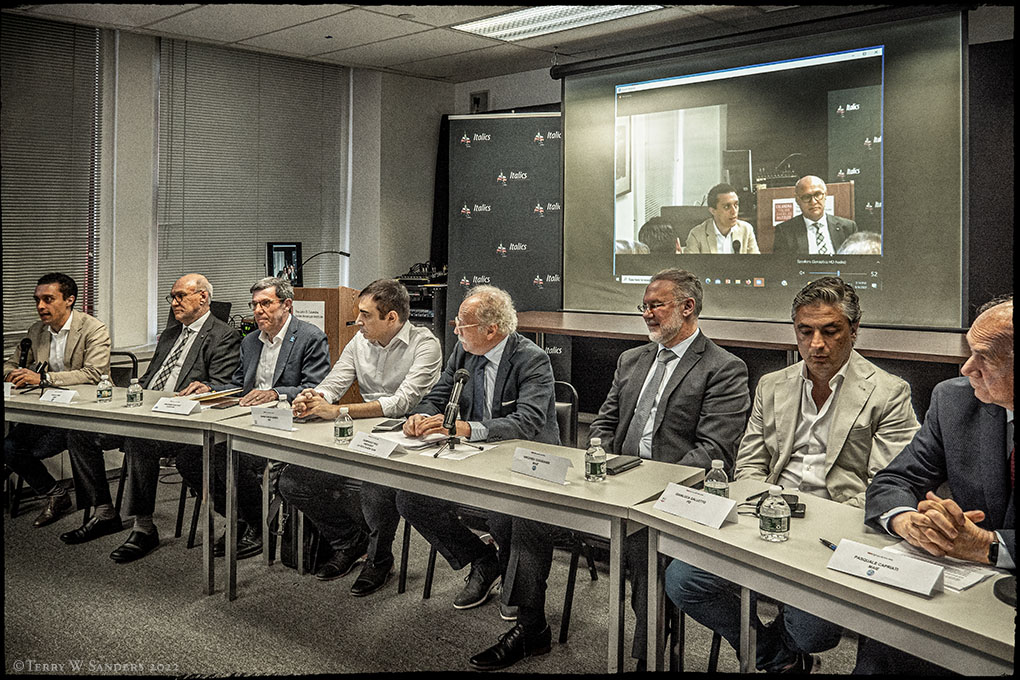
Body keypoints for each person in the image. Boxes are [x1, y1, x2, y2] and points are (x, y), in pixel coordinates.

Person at [665, 276, 921, 673]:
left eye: (830, 331)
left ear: (854, 331)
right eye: (806, 331)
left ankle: (784, 647)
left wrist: (809, 520)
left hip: (834, 529)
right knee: (683, 579)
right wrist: (765, 506)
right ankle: (775, 655)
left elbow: (887, 485)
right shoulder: (773, 385)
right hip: (765, 516)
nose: (816, 344)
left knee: (814, 631)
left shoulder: (888, 392)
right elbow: (749, 464)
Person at [588, 268, 750, 670]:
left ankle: (647, 659)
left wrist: (651, 486)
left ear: (687, 307)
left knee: (646, 553)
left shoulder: (723, 367)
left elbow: (714, 453)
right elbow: (604, 424)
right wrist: (602, 463)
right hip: (614, 482)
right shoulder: (631, 359)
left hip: (672, 495)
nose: (646, 314)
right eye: (643, 306)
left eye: (655, 305)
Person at [395, 284, 560, 671]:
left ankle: (531, 625)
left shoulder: (531, 359)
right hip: (471, 457)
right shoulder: (464, 350)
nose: (454, 331)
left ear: (491, 329)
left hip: (525, 460)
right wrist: (421, 415)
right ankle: (483, 560)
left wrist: (469, 429)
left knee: (512, 515)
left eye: (461, 325)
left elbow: (530, 421)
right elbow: (438, 393)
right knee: (410, 498)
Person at [857, 295, 1014, 674]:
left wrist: (987, 545)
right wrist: (909, 521)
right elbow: (893, 480)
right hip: (965, 589)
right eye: (968, 352)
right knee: (887, 630)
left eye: (984, 358)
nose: (966, 367)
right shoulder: (955, 400)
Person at [278, 279, 442, 595]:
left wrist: (337, 411)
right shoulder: (359, 342)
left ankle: (379, 560)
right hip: (361, 434)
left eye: (366, 315)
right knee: (292, 481)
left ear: (391, 318)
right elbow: (334, 383)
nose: (358, 321)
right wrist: (313, 397)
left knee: (374, 488)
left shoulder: (425, 345)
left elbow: (402, 403)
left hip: (406, 436)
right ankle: (347, 542)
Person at [64, 274, 240, 562]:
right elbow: (150, 378)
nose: (174, 302)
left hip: (180, 425)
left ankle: (143, 527)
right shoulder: (170, 334)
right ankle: (104, 511)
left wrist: (206, 388)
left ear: (203, 298)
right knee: (79, 433)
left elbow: (222, 385)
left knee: (139, 440)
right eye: (172, 297)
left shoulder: (223, 335)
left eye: (180, 296)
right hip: (143, 410)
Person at [175, 276, 330, 560]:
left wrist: (275, 393)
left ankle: (257, 526)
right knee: (188, 459)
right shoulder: (249, 342)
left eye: (266, 303)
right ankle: (243, 517)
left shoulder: (309, 337)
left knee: (224, 455)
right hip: (246, 420)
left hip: (288, 424)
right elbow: (238, 384)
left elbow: (316, 388)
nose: (258, 310)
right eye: (255, 304)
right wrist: (210, 387)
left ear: (287, 305)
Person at [4, 273, 113, 530]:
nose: (41, 306)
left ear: (70, 300)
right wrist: (14, 373)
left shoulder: (93, 329)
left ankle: (100, 508)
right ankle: (55, 493)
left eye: (48, 299)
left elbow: (94, 373)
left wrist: (43, 378)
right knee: (9, 447)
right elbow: (11, 362)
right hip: (49, 410)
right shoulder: (37, 330)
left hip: (83, 412)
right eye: (37, 300)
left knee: (27, 452)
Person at [773, 176, 857, 255]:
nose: (813, 202)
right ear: (797, 200)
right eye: (806, 197)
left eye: (818, 194)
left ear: (825, 195)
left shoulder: (848, 228)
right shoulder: (784, 231)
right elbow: (782, 267)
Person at [685, 183, 760, 254]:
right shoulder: (697, 234)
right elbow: (689, 265)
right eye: (727, 207)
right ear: (713, 211)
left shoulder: (746, 230)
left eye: (736, 205)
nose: (734, 211)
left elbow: (756, 264)